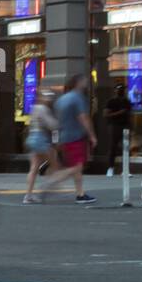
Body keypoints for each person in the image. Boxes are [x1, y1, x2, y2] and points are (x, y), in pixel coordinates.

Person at [44, 74, 98, 204]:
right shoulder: (78, 98)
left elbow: (56, 121)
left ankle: (80, 194)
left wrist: (56, 140)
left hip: (64, 137)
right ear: (78, 83)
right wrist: (92, 135)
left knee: (76, 166)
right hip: (76, 137)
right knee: (77, 167)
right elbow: (83, 117)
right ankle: (53, 181)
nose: (86, 83)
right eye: (84, 80)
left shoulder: (61, 99)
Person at [22, 89, 59, 204]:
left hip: (33, 138)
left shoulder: (35, 108)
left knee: (33, 168)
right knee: (55, 164)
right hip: (41, 139)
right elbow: (52, 124)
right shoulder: (43, 109)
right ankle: (45, 187)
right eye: (47, 97)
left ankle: (28, 195)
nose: (49, 100)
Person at [104, 83, 133, 177]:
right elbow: (106, 114)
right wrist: (119, 113)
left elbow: (129, 114)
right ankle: (110, 168)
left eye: (122, 89)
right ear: (115, 90)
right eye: (119, 89)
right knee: (113, 147)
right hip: (114, 126)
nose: (121, 91)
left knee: (126, 148)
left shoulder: (127, 101)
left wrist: (130, 126)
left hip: (125, 126)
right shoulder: (111, 101)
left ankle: (125, 169)